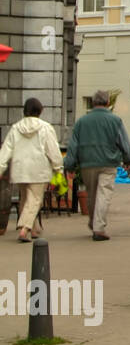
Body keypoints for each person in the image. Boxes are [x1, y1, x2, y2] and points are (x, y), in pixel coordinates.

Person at [63, 89, 130, 241]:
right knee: (104, 194)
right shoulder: (115, 121)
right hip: (108, 162)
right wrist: (128, 159)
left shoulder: (82, 122)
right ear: (108, 103)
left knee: (92, 195)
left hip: (87, 164)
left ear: (93, 103)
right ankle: (98, 227)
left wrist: (69, 165)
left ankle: (94, 223)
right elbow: (123, 141)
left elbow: (73, 145)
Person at [0, 98, 64, 243]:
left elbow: (6, 150)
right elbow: (53, 150)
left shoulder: (16, 128)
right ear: (40, 111)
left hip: (20, 169)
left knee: (25, 199)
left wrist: (0, 167)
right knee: (35, 200)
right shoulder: (46, 127)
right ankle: (24, 229)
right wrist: (58, 168)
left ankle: (34, 230)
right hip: (39, 169)